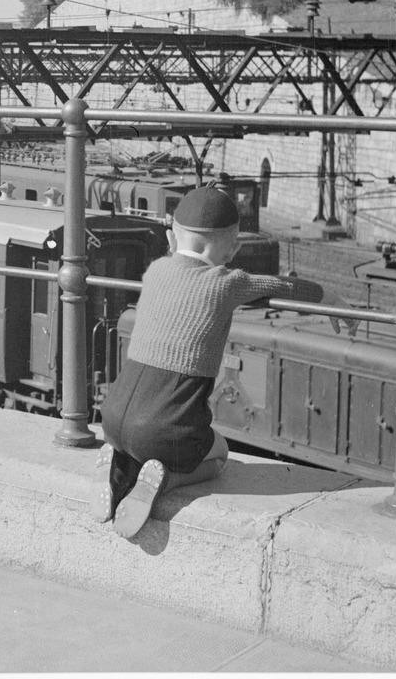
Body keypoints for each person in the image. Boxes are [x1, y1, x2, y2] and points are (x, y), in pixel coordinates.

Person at [91, 184, 324, 539]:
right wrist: (328, 294)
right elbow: (281, 287)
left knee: (143, 436)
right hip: (163, 433)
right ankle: (167, 479)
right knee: (220, 454)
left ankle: (121, 465)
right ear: (234, 248)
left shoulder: (155, 272)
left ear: (171, 238)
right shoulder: (225, 284)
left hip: (112, 419)